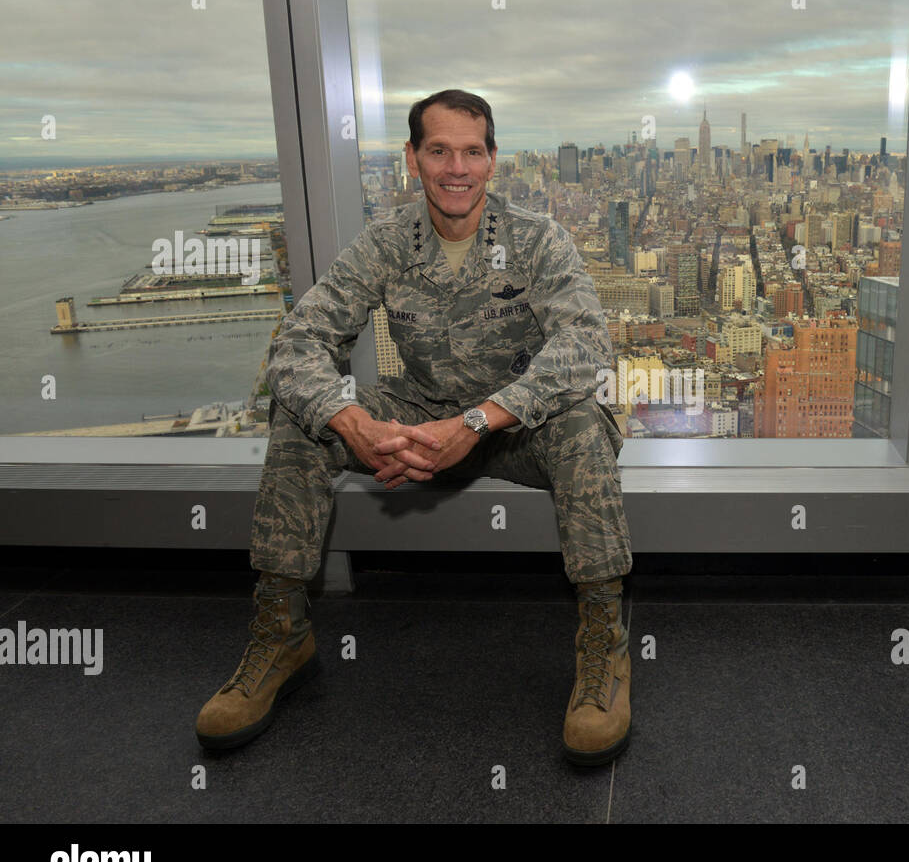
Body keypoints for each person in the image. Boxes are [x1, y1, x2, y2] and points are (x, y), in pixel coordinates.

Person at [195, 89, 633, 766]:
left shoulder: (537, 238)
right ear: (412, 159)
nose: (455, 167)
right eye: (438, 151)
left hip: (513, 423)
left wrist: (481, 420)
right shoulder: (386, 242)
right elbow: (298, 344)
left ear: (492, 161)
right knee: (299, 415)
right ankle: (280, 630)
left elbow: (585, 346)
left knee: (582, 425)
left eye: (471, 151)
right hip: (421, 414)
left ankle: (604, 644)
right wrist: (354, 422)